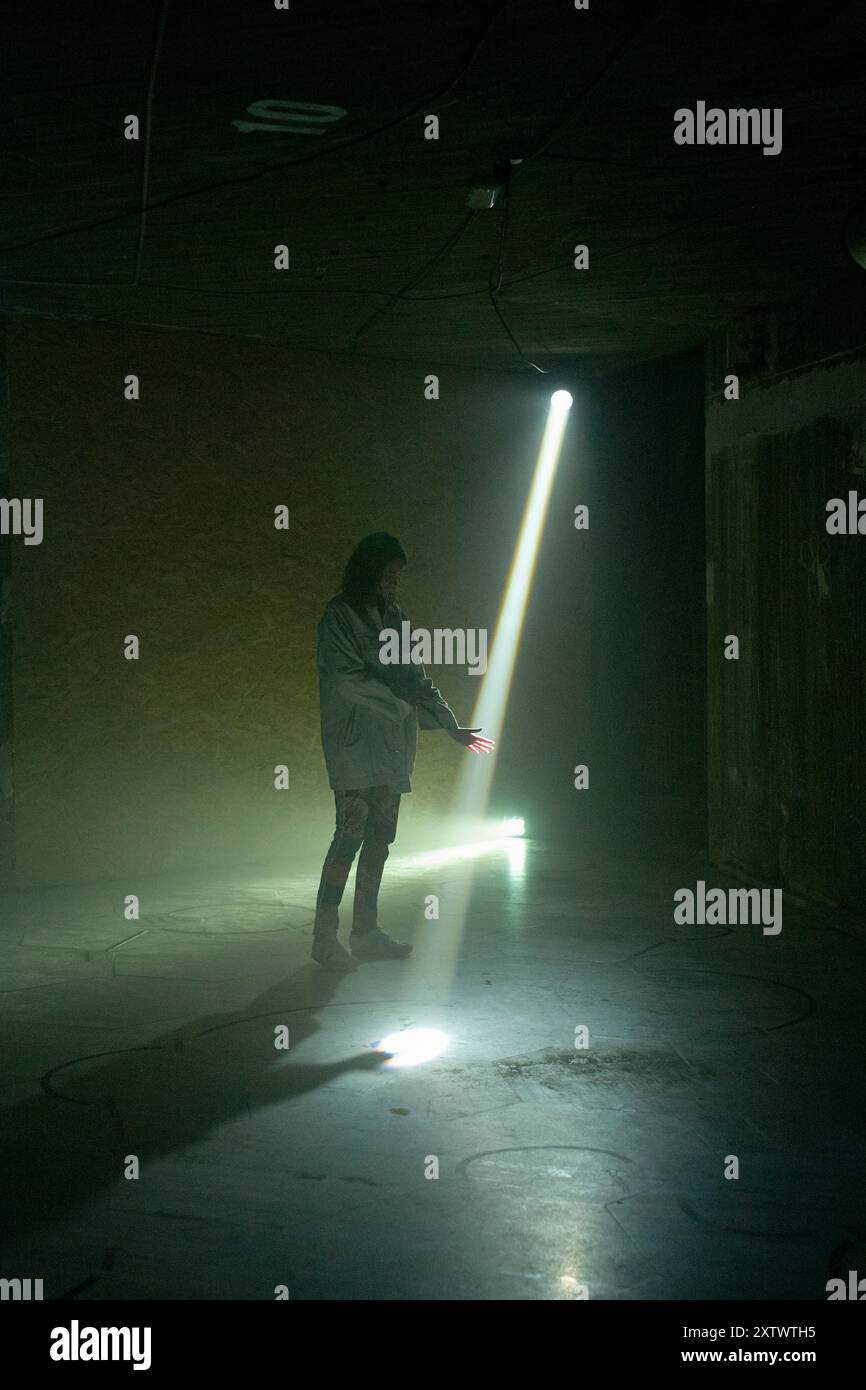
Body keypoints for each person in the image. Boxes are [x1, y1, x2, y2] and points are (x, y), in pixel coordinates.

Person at [312, 532, 494, 971]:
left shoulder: (396, 618)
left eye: (398, 576)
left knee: (380, 838)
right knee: (349, 836)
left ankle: (366, 933)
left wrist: (449, 724)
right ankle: (323, 938)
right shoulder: (338, 617)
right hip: (355, 747)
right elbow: (345, 680)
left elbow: (417, 680)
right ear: (368, 570)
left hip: (391, 750)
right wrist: (401, 705)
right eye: (388, 574)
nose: (394, 583)